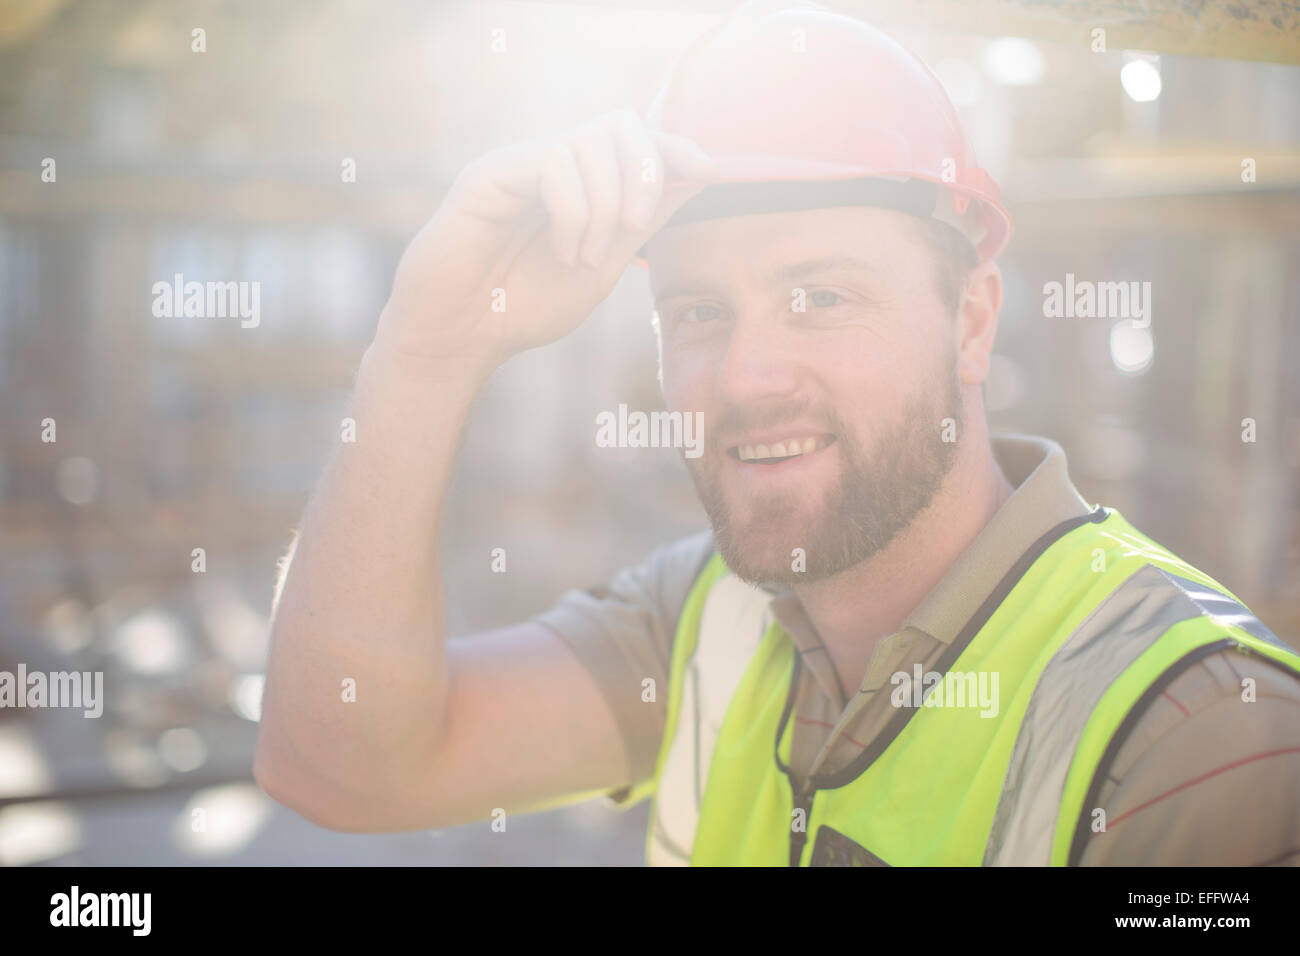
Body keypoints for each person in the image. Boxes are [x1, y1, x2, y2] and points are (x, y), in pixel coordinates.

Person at [254, 1, 1300, 865]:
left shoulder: (1201, 730)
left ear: (971, 321)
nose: (745, 377)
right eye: (698, 313)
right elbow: (338, 761)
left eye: (820, 296)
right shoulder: (707, 617)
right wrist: (425, 349)